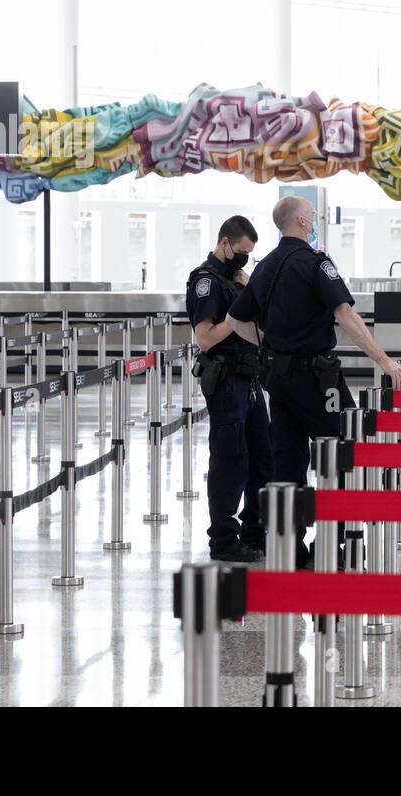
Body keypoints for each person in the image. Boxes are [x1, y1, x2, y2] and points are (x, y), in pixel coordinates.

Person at [225, 196, 401, 569]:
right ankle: (334, 546)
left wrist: (266, 343)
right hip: (317, 379)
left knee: (287, 463)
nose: (316, 221)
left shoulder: (265, 266)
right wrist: (384, 359)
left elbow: (236, 319)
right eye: (314, 217)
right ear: (304, 222)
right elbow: (345, 314)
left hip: (277, 378)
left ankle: (290, 550)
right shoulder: (315, 262)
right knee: (342, 457)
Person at [185, 215, 270, 564]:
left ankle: (253, 532)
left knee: (263, 458)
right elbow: (204, 340)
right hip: (225, 380)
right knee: (230, 459)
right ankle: (223, 538)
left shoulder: (236, 280)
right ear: (224, 243)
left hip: (250, 379)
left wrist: (249, 290)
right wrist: (236, 313)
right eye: (241, 251)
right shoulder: (205, 282)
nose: (244, 257)